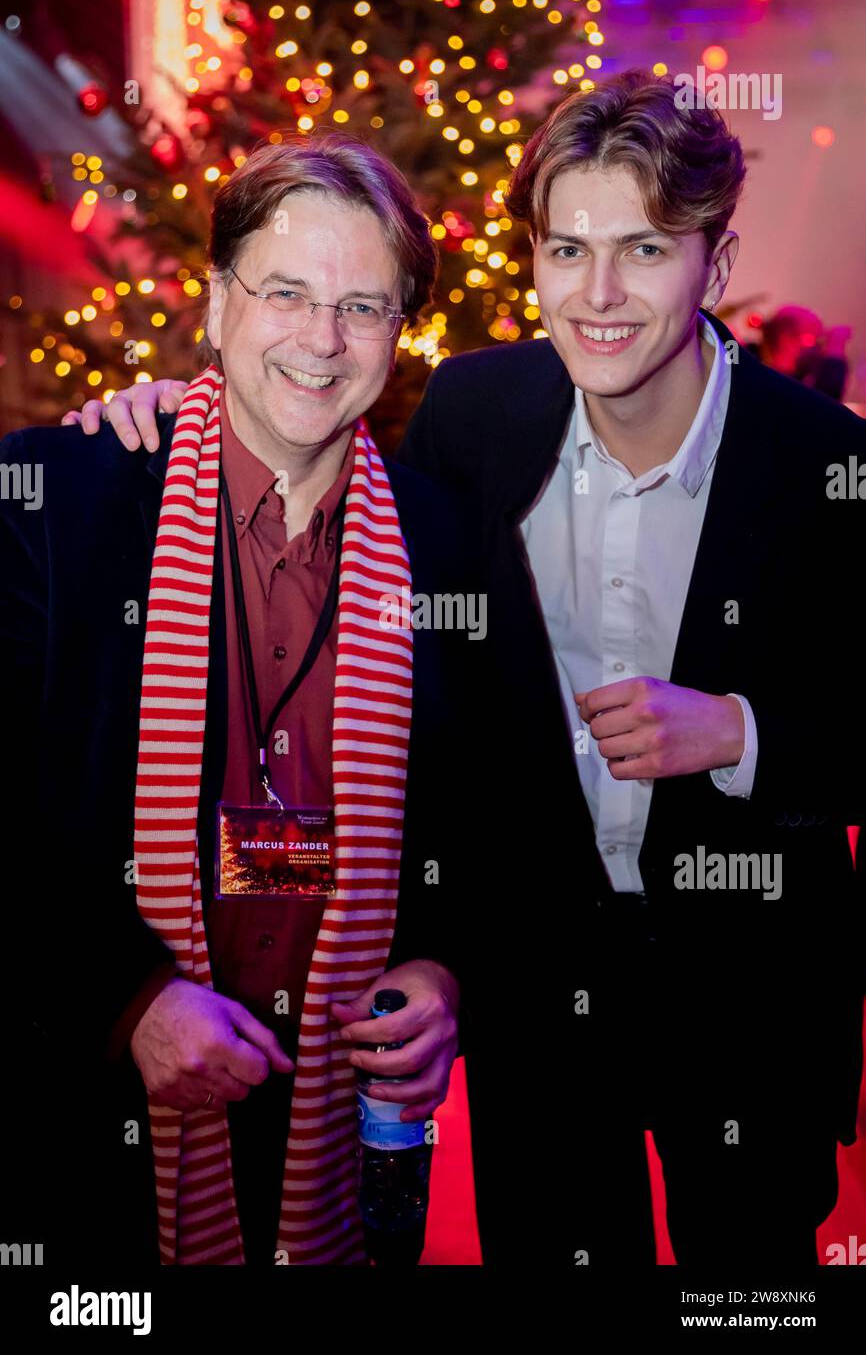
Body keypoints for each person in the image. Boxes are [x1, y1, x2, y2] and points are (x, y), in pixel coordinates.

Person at [89, 71, 866, 1268]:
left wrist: (740, 731)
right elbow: (315, 463)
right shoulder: (474, 408)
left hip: (746, 998)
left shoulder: (825, 460)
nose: (598, 295)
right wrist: (163, 416)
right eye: (566, 247)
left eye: (645, 249)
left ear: (712, 267)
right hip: (534, 991)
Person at [0, 133, 470, 1267]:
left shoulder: (445, 538)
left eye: (362, 306)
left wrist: (444, 964)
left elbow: (477, 812)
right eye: (287, 294)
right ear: (217, 303)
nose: (322, 340)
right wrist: (128, 999)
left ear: (397, 332)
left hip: (338, 1103)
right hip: (98, 1109)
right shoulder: (57, 502)